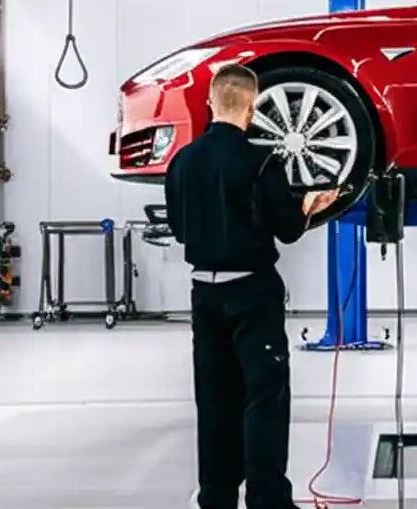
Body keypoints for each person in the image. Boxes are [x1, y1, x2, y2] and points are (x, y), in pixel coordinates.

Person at [165, 64, 340, 509]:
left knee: (215, 399)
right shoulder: (262, 160)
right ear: (253, 105)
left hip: (203, 295)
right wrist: (306, 205)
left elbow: (181, 229)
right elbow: (286, 230)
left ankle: (217, 498)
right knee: (264, 396)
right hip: (252, 294)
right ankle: (267, 500)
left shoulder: (181, 161)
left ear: (210, 103)